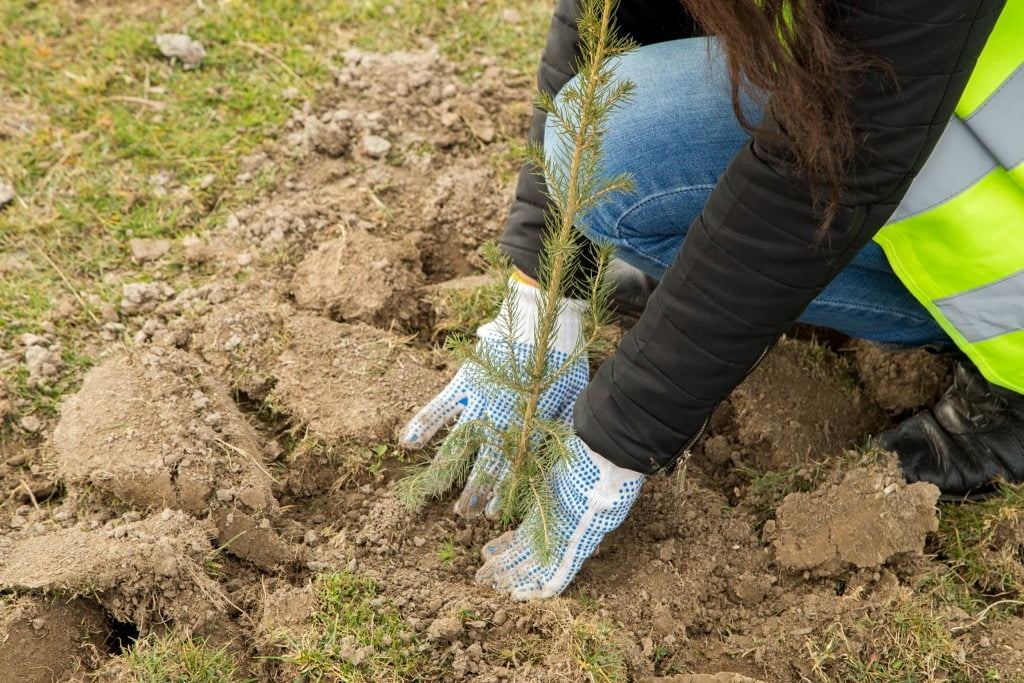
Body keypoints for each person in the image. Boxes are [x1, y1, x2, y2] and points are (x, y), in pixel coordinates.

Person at [401, 0, 1023, 600]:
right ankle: (757, 288)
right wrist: (543, 290)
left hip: (978, 182)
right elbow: (614, 14)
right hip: (908, 110)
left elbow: (828, 161)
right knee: (616, 142)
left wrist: (618, 434)